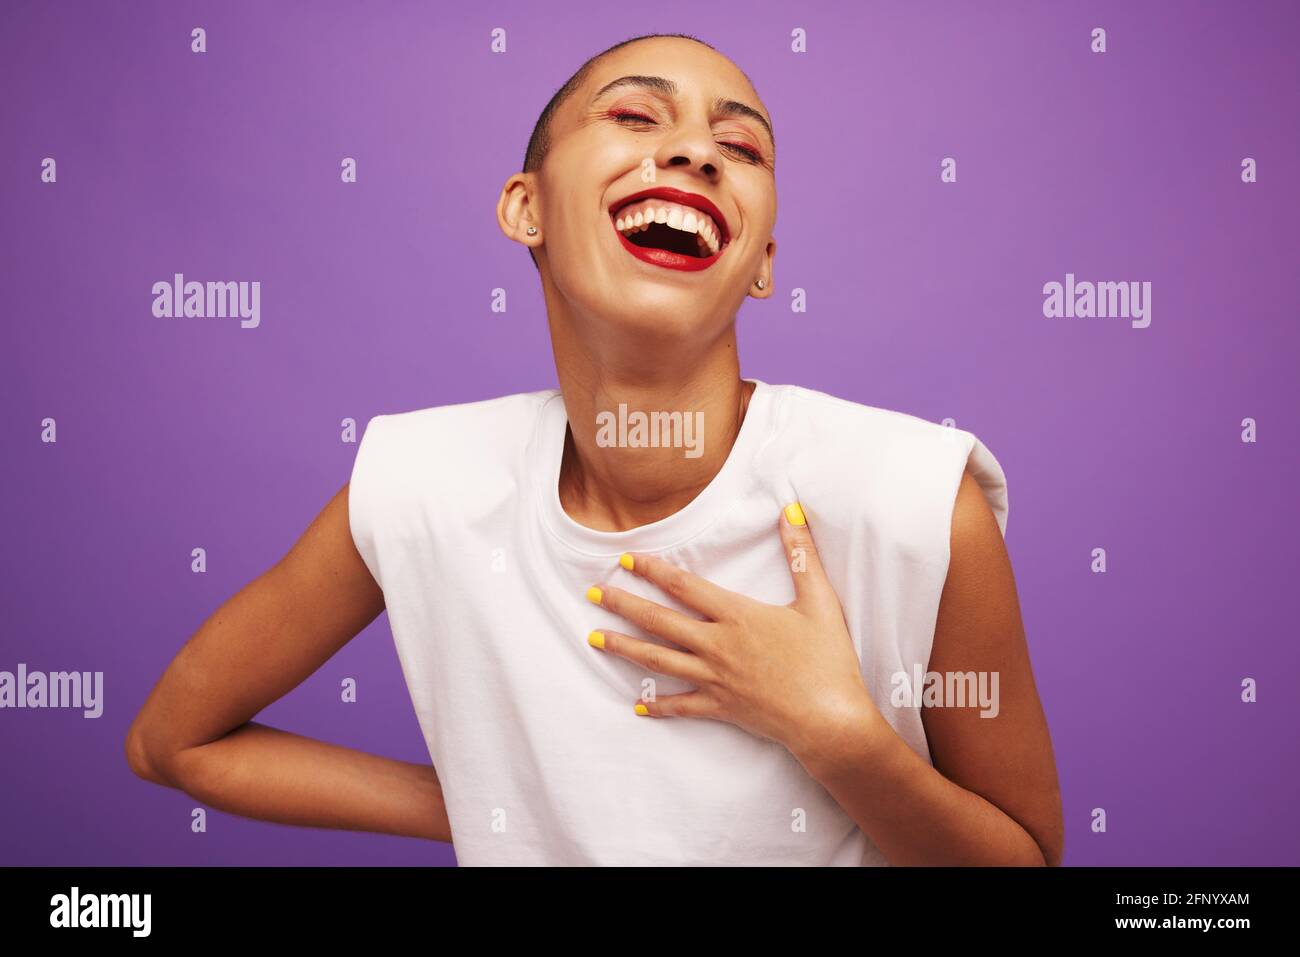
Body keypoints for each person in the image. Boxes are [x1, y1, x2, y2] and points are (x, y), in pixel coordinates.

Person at [126, 32, 1063, 867]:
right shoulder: (423, 484)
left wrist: (840, 736)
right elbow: (175, 743)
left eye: (739, 147)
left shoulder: (913, 502)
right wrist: (526, 808)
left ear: (765, 260)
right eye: (634, 115)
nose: (697, 150)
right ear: (525, 208)